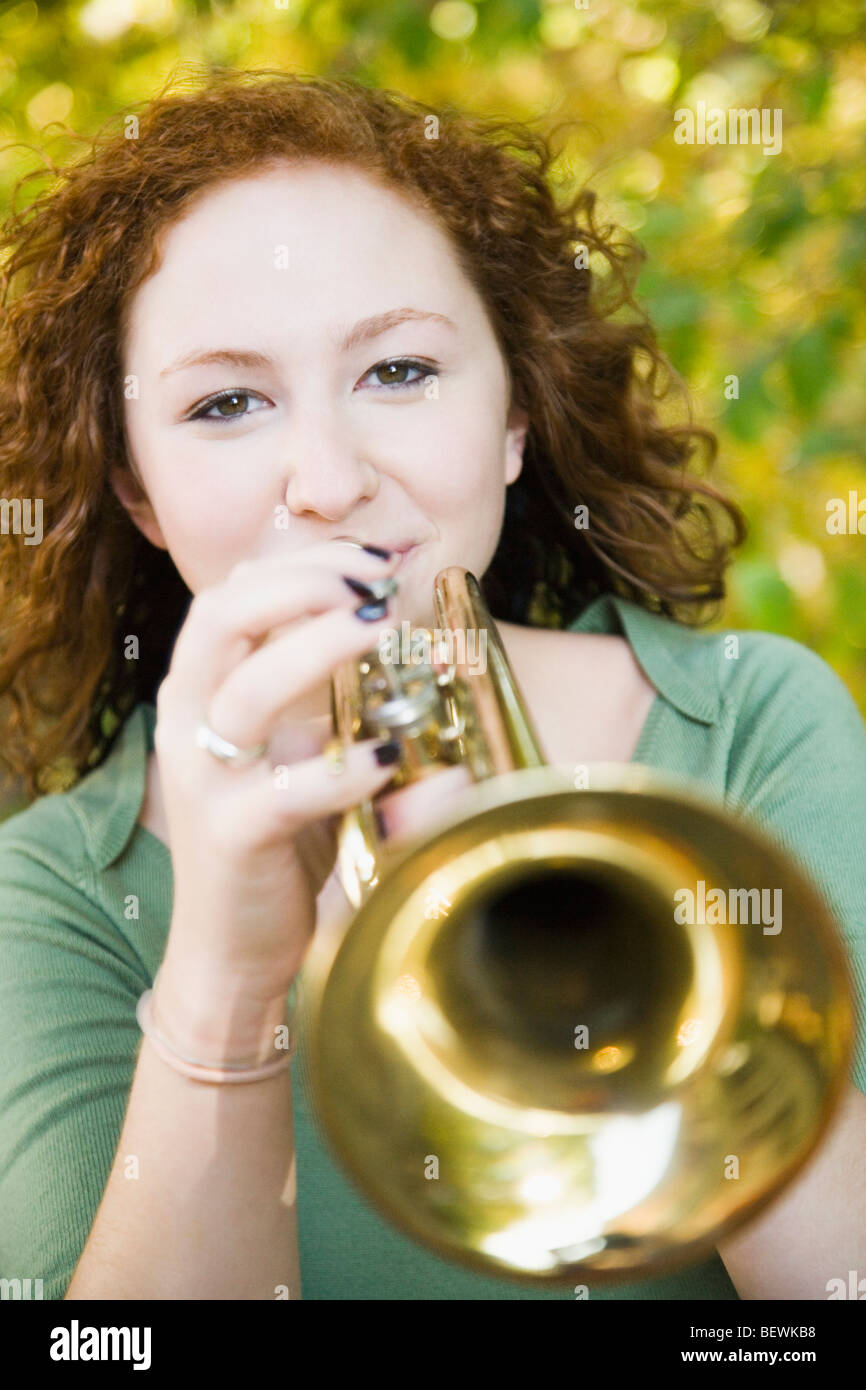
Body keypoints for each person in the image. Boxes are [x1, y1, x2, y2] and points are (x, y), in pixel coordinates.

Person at [0, 67, 864, 1302]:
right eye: (227, 401)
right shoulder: (49, 888)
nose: (328, 480)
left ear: (511, 416)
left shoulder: (743, 721)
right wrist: (223, 992)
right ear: (137, 490)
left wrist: (597, 949)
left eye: (397, 371)